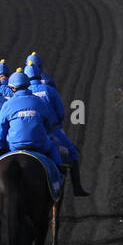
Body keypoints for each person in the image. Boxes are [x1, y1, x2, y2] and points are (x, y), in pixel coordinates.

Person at [24, 61, 89, 197]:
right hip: (51, 130)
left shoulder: (24, 94)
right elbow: (61, 112)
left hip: (27, 134)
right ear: (38, 73)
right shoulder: (49, 89)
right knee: (72, 152)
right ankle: (77, 188)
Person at [0, 69, 62, 169]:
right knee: (53, 147)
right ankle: (58, 174)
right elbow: (49, 124)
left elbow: (1, 129)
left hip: (14, 146)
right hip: (39, 144)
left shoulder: (7, 104)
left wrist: (0, 144)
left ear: (13, 88)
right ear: (27, 85)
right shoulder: (39, 101)